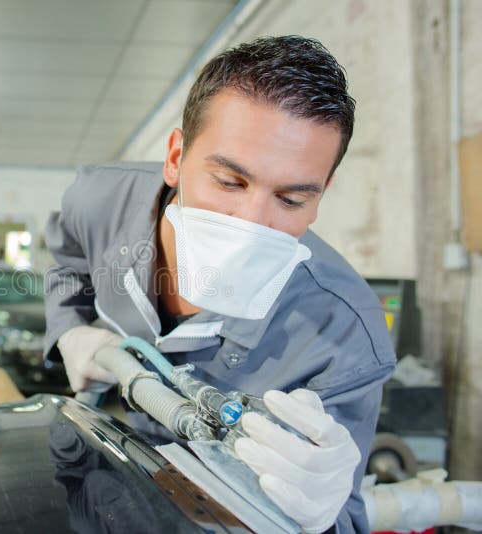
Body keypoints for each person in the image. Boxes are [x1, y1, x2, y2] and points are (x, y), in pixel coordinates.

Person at [43, 35, 397, 533]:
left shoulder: (345, 339)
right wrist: (69, 329)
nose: (250, 226)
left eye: (291, 199)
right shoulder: (101, 197)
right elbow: (68, 261)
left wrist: (322, 516)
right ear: (175, 157)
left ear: (321, 195)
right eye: (230, 182)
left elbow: (344, 516)